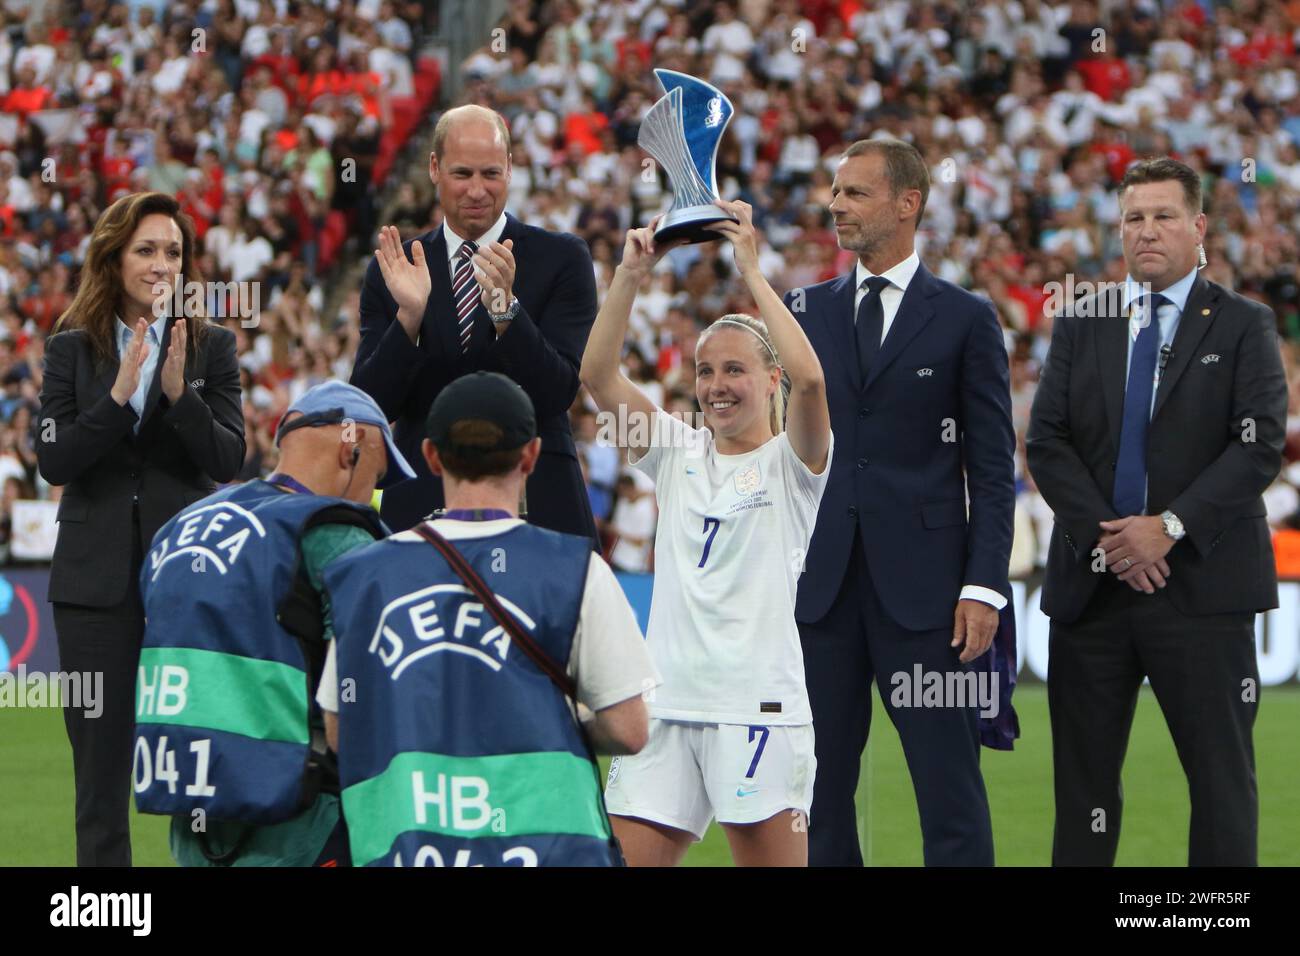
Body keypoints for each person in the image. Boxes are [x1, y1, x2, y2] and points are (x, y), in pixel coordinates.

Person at [1027, 157, 1286, 866]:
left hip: (1202, 590)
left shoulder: (1244, 325)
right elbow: (1046, 442)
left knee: (1221, 784)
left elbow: (1258, 446)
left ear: (1198, 227)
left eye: (1164, 215)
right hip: (1094, 590)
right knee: (1084, 792)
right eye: (1134, 217)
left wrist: (1166, 529)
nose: (1148, 231)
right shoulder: (1084, 323)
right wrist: (1114, 541)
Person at [316, 371, 656, 867]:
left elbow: (340, 729)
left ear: (430, 456)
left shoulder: (365, 573)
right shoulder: (577, 569)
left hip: (407, 841)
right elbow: (629, 729)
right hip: (546, 842)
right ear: (533, 455)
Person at [581, 201, 833, 867]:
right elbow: (597, 379)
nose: (716, 386)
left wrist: (751, 269)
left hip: (757, 711)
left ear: (769, 379)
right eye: (705, 371)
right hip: (664, 711)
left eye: (735, 371)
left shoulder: (794, 466)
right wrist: (630, 275)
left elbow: (812, 380)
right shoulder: (674, 450)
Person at [788, 139, 1015, 867]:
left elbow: (991, 463)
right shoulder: (804, 311)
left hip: (931, 600)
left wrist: (984, 585)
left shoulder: (965, 318)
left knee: (949, 794)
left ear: (907, 203)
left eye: (855, 193)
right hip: (819, 594)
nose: (836, 205)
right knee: (816, 794)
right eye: (835, 191)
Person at [37, 191, 245, 867]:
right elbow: (55, 458)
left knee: (202, 766)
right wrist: (118, 394)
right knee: (99, 777)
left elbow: (227, 457)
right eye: (147, 250)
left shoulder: (211, 346)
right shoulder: (71, 350)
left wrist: (182, 396)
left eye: (174, 252)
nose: (163, 265)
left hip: (184, 586)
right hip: (91, 591)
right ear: (114, 257)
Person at [133, 381, 414, 867]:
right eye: (377, 475)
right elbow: (365, 705)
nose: (372, 496)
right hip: (303, 825)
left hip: (193, 819)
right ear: (351, 450)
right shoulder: (337, 534)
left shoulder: (179, 528)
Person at [351, 104, 598, 544]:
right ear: (433, 168)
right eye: (462, 174)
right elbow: (371, 405)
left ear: (510, 168)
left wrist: (507, 312)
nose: (477, 191)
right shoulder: (395, 267)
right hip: (423, 500)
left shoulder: (562, 258)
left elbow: (558, 391)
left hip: (536, 496)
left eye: (491, 174)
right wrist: (408, 320)